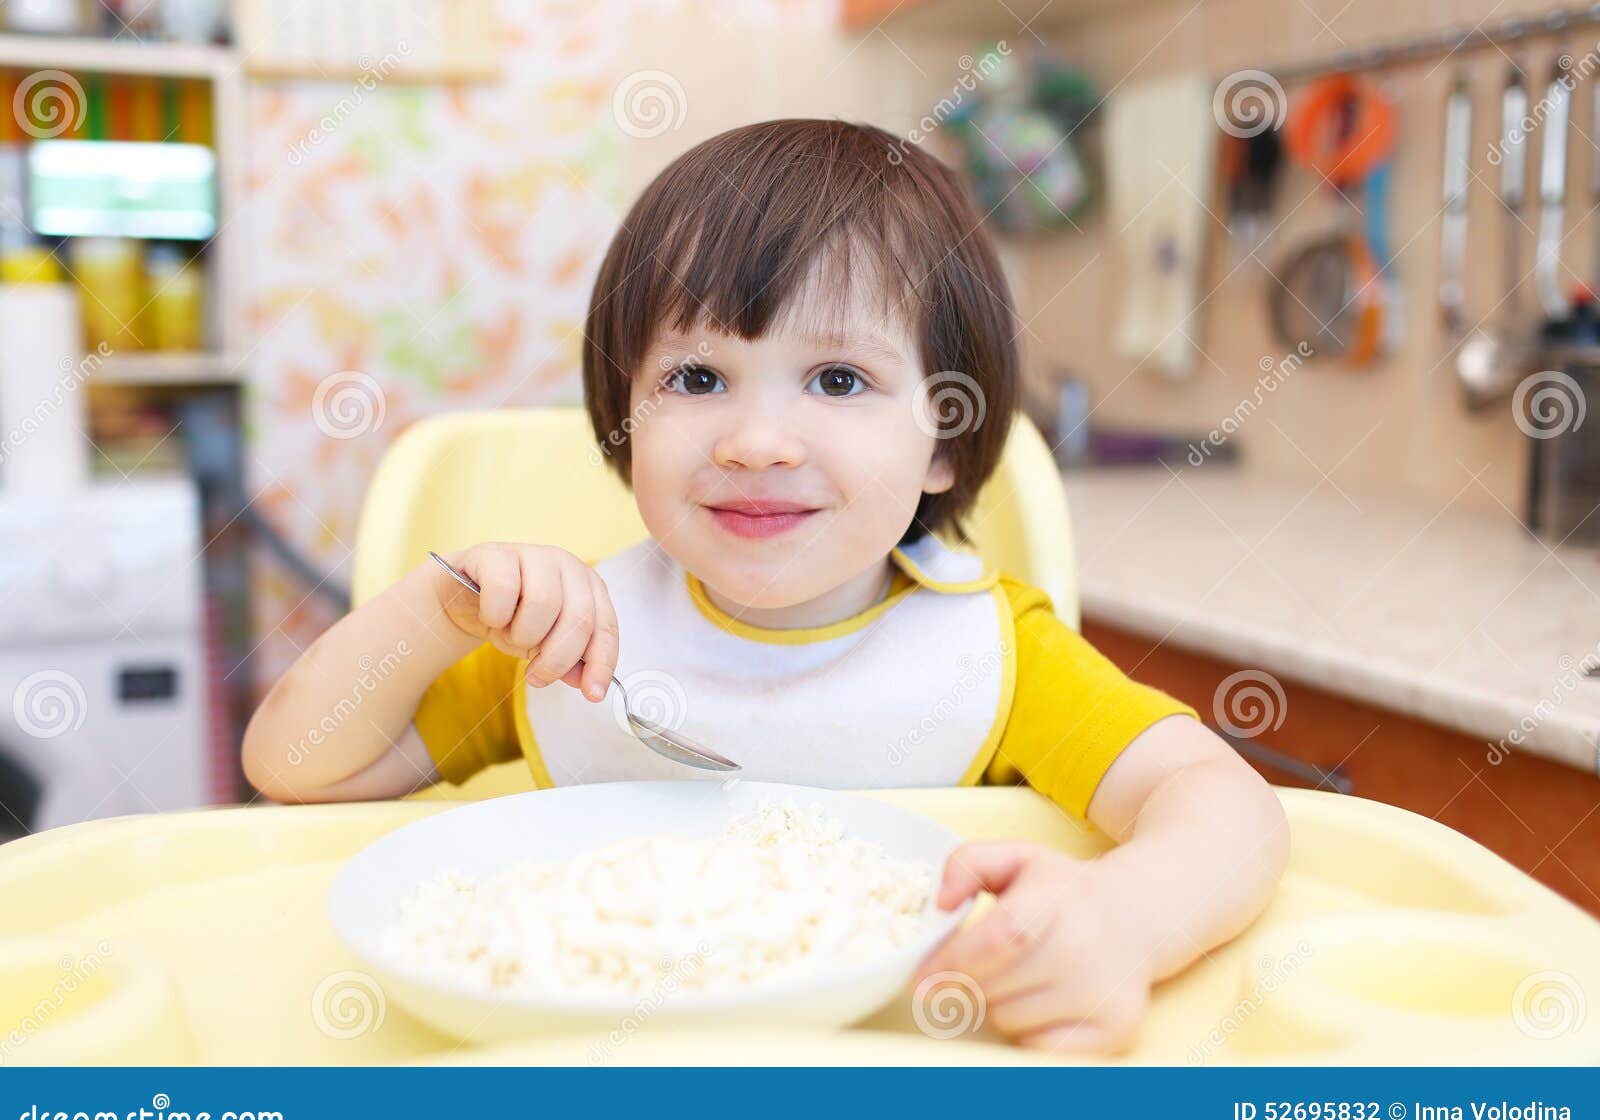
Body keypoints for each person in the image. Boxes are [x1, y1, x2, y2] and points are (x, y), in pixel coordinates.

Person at [243, 118, 1288, 1054]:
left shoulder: (992, 656)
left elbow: (1225, 808)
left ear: (943, 439)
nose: (754, 442)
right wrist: (440, 612)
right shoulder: (570, 647)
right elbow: (296, 766)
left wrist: (1127, 921)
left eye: (838, 380)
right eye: (695, 379)